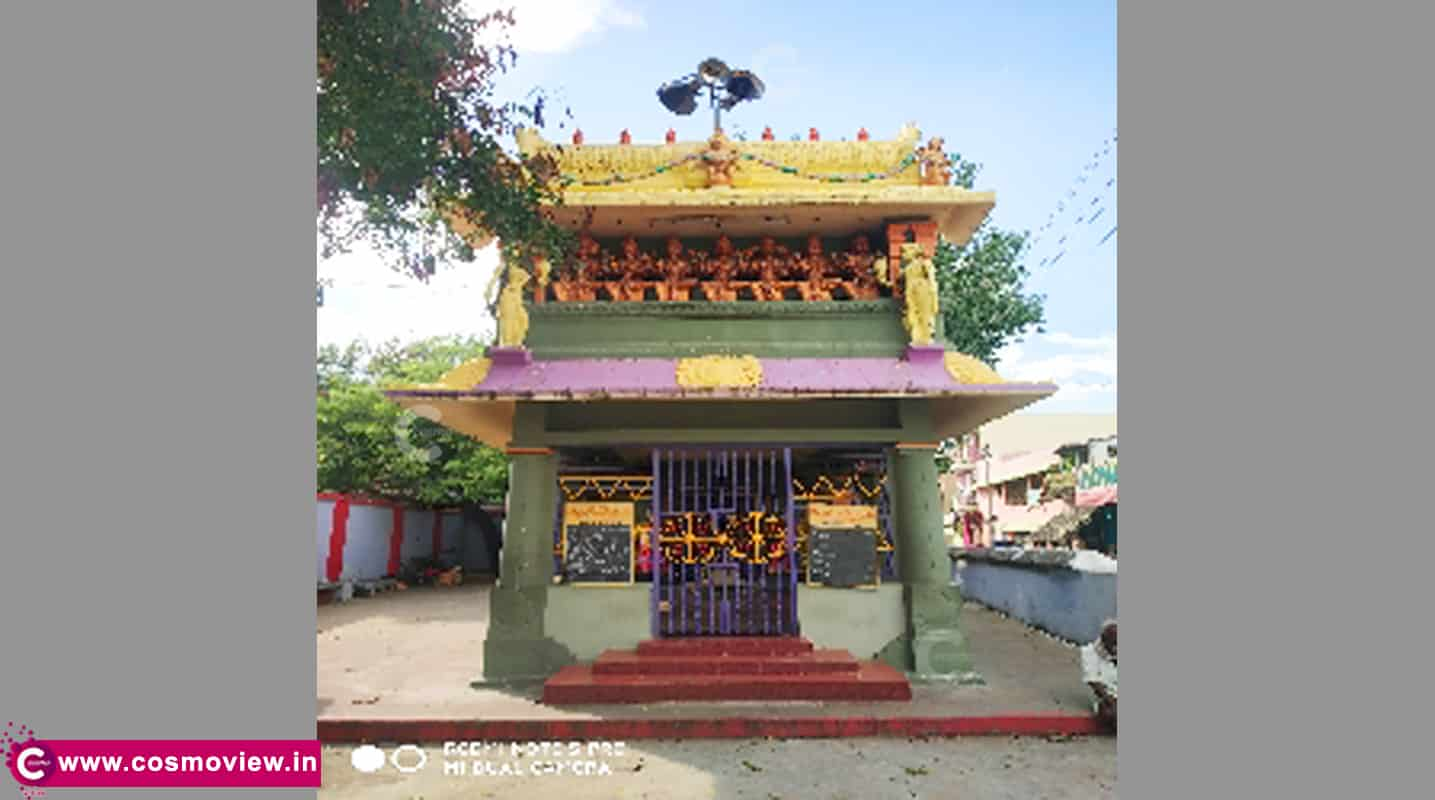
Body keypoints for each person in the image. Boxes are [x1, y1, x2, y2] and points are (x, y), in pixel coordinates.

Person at [1081, 620, 1118, 731]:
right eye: (1113, 644)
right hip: (1107, 697)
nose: (1116, 648)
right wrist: (1112, 702)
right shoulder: (1089, 652)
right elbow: (1093, 681)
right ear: (1104, 640)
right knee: (1109, 713)